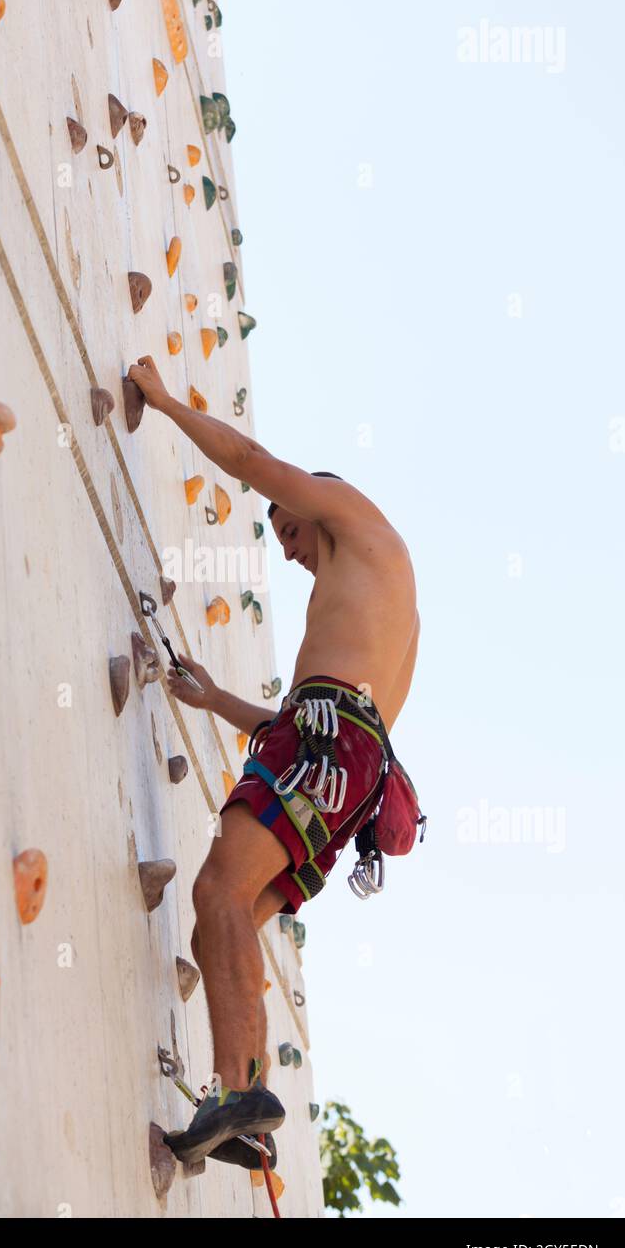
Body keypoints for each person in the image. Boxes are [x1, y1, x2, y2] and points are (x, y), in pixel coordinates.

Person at [126, 356, 421, 1166]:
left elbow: (252, 465)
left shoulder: (359, 521)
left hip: (328, 740)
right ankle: (241, 1108)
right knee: (228, 922)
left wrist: (162, 402)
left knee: (218, 887)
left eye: (288, 529)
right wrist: (217, 699)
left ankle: (242, 1091)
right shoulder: (390, 617)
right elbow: (338, 736)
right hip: (346, 762)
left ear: (313, 506)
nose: (287, 551)